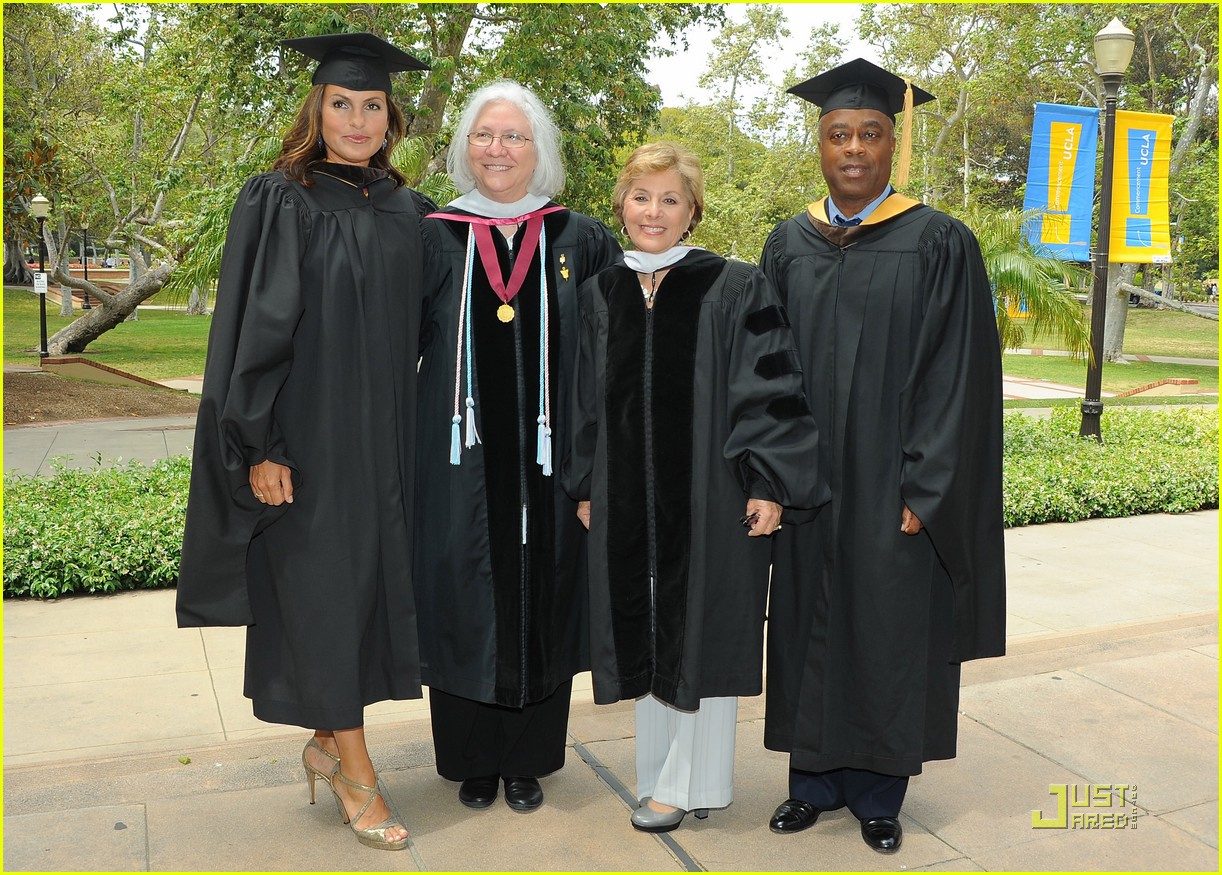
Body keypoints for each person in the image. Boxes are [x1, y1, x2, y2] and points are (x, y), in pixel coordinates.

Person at [176, 32, 433, 851]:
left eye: (371, 105)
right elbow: (255, 331)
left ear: (391, 116)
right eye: (341, 103)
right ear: (315, 108)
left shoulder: (411, 210)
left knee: (362, 600)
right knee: (323, 602)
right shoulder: (279, 197)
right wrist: (262, 443)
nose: (357, 119)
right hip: (308, 442)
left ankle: (326, 744)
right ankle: (358, 775)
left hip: (387, 444)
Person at [759, 59, 1007, 853]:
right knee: (804, 624)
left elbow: (957, 376)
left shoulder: (939, 241)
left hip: (893, 481)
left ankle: (878, 793)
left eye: (870, 133)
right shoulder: (787, 242)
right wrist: (771, 470)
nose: (854, 148)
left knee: (890, 630)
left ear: (893, 144)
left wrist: (927, 485)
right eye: (839, 135)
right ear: (820, 145)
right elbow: (760, 369)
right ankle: (810, 784)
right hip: (808, 482)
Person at [563, 142, 822, 833]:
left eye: (670, 199)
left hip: (712, 497)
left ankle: (677, 784)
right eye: (642, 197)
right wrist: (585, 482)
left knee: (697, 631)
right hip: (625, 505)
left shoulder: (733, 285)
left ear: (692, 212)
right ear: (621, 205)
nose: (654, 211)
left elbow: (771, 386)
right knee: (652, 634)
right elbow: (581, 401)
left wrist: (769, 481)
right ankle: (684, 780)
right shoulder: (600, 292)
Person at [415, 81, 621, 814]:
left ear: (541, 151)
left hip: (551, 465)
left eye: (514, 137)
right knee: (463, 594)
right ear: (464, 148)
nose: (497, 149)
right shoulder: (433, 234)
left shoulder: (580, 237)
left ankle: (529, 758)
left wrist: (599, 466)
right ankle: (471, 757)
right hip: (455, 462)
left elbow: (610, 356)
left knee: (545, 594)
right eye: (484, 135)